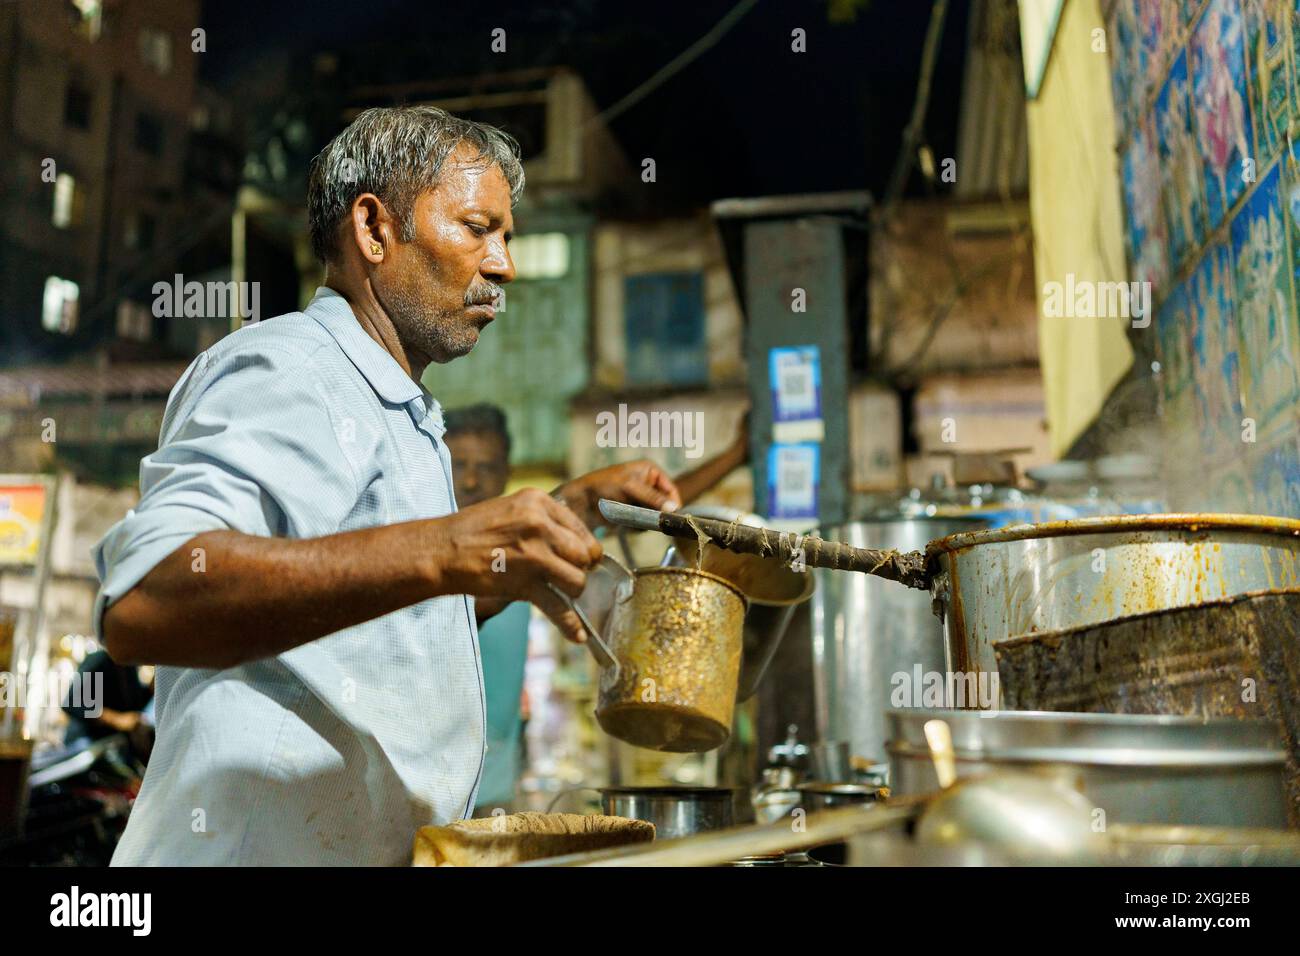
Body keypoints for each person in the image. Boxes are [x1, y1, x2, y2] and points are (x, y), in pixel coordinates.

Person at [94, 106, 681, 865]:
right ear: (374, 230)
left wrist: (553, 522)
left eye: (508, 237)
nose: (502, 265)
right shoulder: (293, 371)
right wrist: (447, 547)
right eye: (477, 229)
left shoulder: (397, 412)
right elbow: (147, 598)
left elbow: (380, 627)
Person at [440, 403, 530, 812]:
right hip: (429, 797)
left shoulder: (524, 546)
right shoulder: (418, 555)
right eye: (459, 465)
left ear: (507, 471)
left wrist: (732, 454)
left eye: (487, 467)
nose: (472, 480)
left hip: (495, 797)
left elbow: (638, 512)